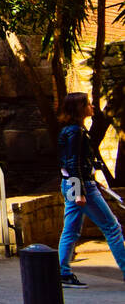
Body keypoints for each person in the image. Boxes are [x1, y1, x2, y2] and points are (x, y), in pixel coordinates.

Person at [57, 92, 125, 287]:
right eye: (88, 104)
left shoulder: (72, 130)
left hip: (73, 184)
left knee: (71, 229)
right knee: (112, 227)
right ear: (80, 108)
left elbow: (74, 162)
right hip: (81, 185)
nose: (92, 107)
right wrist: (79, 192)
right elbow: (72, 163)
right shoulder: (75, 132)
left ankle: (63, 273)